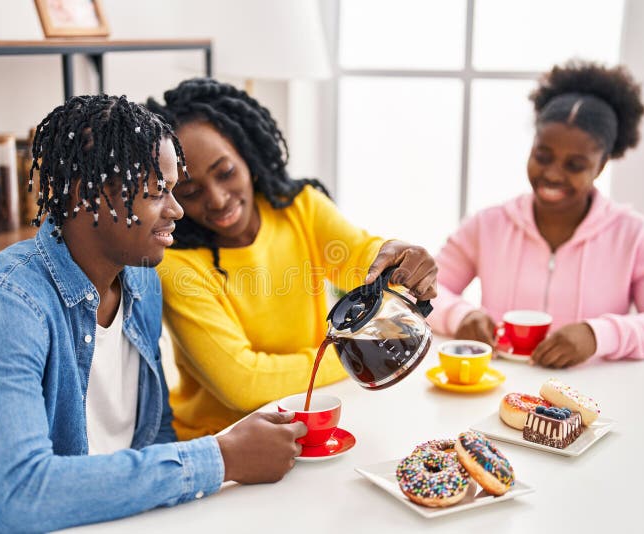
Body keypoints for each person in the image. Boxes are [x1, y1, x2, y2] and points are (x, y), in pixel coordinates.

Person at [0, 95, 308, 533]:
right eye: (156, 193)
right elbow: (20, 497)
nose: (177, 211)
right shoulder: (5, 305)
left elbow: (154, 432)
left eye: (173, 190)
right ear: (87, 195)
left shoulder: (142, 281)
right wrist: (220, 457)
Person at [146, 79, 438, 439]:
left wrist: (398, 258)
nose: (219, 199)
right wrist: (355, 355)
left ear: (248, 156)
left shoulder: (300, 208)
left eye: (226, 173)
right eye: (191, 191)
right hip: (223, 443)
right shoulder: (176, 265)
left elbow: (364, 261)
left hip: (310, 419)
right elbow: (244, 384)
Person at [429, 60, 644, 368]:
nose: (553, 175)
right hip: (495, 394)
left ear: (600, 166)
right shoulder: (487, 225)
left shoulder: (636, 236)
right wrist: (462, 315)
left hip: (595, 401)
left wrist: (598, 335)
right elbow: (427, 291)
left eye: (575, 165)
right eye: (542, 157)